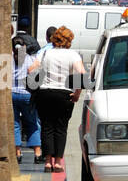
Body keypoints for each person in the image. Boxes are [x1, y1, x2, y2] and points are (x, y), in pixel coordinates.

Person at [27, 26, 85, 173]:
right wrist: (77, 93)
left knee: (46, 127)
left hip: (45, 93)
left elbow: (31, 70)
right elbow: (81, 73)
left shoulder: (46, 53)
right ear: (69, 40)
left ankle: (47, 162)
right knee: (61, 128)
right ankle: (58, 162)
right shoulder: (73, 55)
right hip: (64, 94)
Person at [11, 29, 41, 164]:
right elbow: (36, 73)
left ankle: (17, 153)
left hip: (11, 95)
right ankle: (37, 153)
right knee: (32, 123)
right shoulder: (29, 59)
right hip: (27, 95)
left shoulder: (7, 58)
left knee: (15, 124)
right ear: (24, 46)